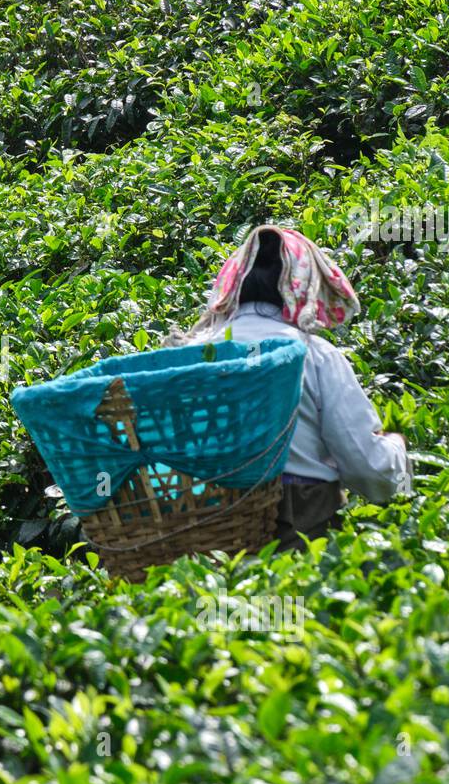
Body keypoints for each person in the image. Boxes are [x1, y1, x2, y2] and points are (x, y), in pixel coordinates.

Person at [164, 224, 412, 549]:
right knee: (296, 596)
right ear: (305, 287)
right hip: (300, 519)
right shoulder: (314, 354)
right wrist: (397, 450)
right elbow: (367, 466)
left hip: (203, 522)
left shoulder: (191, 353)